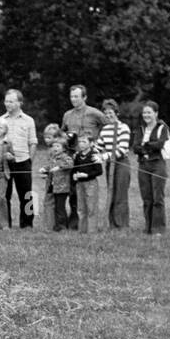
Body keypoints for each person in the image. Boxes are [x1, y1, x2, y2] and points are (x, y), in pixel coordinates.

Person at [62, 86, 104, 227]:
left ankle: (91, 224)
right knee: (74, 191)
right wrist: (66, 137)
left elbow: (109, 128)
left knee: (89, 191)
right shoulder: (67, 115)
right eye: (72, 96)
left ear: (84, 97)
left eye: (76, 96)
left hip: (89, 157)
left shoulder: (95, 113)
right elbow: (62, 134)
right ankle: (75, 222)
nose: (73, 99)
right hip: (73, 156)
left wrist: (99, 146)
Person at [0, 89, 37, 228]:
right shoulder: (0, 121)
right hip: (5, 163)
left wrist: (29, 160)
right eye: (6, 101)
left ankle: (27, 224)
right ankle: (5, 224)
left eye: (11, 101)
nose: (8, 104)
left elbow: (33, 142)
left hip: (23, 161)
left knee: (26, 195)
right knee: (4, 196)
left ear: (20, 103)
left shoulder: (29, 120)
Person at [133, 102, 170, 235]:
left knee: (157, 197)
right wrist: (147, 147)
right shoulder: (140, 128)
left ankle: (158, 228)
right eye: (144, 113)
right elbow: (135, 147)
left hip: (157, 164)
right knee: (146, 197)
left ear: (156, 113)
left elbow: (160, 144)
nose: (146, 115)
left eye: (149, 112)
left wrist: (145, 146)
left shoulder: (162, 127)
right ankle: (148, 227)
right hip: (143, 165)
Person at [98, 99, 130, 228]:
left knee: (120, 194)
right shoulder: (105, 129)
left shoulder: (123, 128)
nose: (108, 115)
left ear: (116, 112)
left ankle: (121, 224)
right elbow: (98, 147)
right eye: (106, 113)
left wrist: (105, 156)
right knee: (111, 192)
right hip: (109, 164)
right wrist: (93, 155)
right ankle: (112, 223)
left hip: (121, 164)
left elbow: (122, 149)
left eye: (110, 112)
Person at [70, 130, 104, 234]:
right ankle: (82, 229)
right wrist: (74, 175)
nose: (81, 144)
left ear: (91, 143)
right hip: (80, 184)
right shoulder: (77, 155)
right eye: (80, 142)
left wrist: (87, 175)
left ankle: (92, 230)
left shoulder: (94, 155)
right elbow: (74, 169)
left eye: (84, 142)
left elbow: (99, 171)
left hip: (90, 184)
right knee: (81, 207)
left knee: (91, 207)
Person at [40, 134, 73, 231]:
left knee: (60, 208)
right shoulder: (53, 157)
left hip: (62, 187)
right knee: (52, 206)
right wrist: (44, 169)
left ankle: (62, 227)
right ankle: (54, 225)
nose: (55, 148)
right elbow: (49, 166)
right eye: (54, 146)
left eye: (58, 146)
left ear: (63, 148)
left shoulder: (65, 157)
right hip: (52, 186)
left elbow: (70, 164)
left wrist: (59, 167)